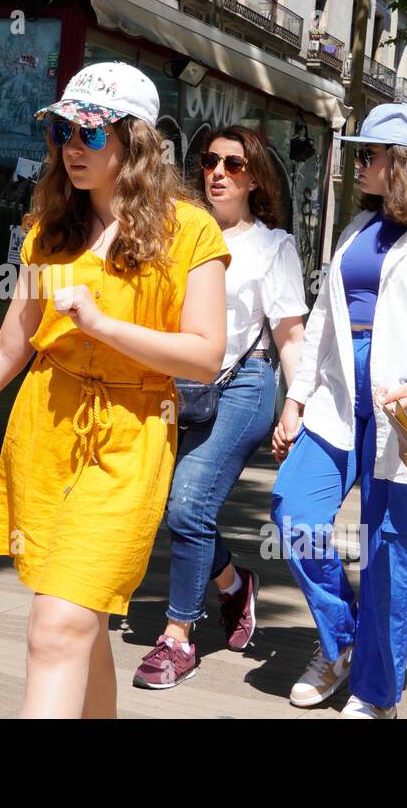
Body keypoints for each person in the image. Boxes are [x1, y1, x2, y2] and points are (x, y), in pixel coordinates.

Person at [0, 62, 231, 718]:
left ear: (137, 141)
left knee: (58, 625)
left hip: (129, 439)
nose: (70, 145)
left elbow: (206, 357)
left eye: (89, 134)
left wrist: (106, 326)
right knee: (78, 624)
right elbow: (11, 347)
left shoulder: (191, 231)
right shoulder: (49, 233)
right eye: (62, 130)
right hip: (47, 430)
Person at [269, 103, 407, 718]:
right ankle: (342, 640)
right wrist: (296, 398)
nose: (358, 164)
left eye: (369, 155)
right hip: (338, 404)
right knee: (294, 514)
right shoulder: (354, 231)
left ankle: (376, 691)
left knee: (391, 549)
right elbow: (321, 323)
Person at [132, 127, 307, 690]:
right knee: (168, 501)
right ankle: (234, 584)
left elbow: (290, 335)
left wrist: (295, 405)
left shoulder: (272, 246)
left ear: (254, 177)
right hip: (179, 383)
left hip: (244, 382)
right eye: (210, 161)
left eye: (234, 164)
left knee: (187, 502)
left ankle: (177, 638)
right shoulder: (176, 230)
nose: (219, 173)